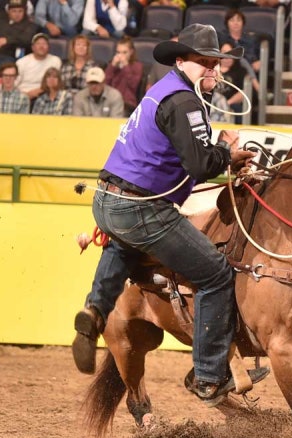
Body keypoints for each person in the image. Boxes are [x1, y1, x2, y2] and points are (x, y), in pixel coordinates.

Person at [72, 23, 268, 404]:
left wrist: (219, 154)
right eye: (204, 63)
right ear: (181, 61)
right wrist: (227, 154)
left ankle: (95, 311)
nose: (213, 70)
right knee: (215, 273)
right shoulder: (185, 101)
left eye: (216, 63)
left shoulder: (162, 92)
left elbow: (183, 154)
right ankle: (210, 375)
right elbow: (197, 164)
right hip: (141, 207)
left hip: (107, 201)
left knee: (123, 248)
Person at [0, 0, 37, 69]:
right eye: (14, 11)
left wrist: (8, 40)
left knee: (5, 70)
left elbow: (27, 40)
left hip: (9, 57)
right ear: (8, 11)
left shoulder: (29, 25)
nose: (17, 14)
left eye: (20, 11)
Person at [15, 32, 62, 100]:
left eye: (44, 44)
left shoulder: (55, 61)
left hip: (45, 95)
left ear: (48, 47)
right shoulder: (22, 62)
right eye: (38, 44)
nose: (41, 46)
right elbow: (14, 83)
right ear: (32, 47)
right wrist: (26, 95)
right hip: (22, 96)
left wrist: (39, 91)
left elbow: (56, 83)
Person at [104, 34, 142, 115]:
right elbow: (104, 84)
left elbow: (133, 85)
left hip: (127, 103)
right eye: (118, 52)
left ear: (131, 52)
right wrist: (112, 66)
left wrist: (126, 66)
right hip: (110, 101)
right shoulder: (112, 65)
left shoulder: (137, 66)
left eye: (124, 52)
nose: (121, 56)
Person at [219, 8, 260, 73]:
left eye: (238, 20)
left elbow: (255, 57)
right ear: (227, 23)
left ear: (243, 22)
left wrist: (258, 62)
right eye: (232, 20)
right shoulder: (221, 39)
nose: (235, 23)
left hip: (249, 72)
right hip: (227, 71)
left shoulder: (251, 39)